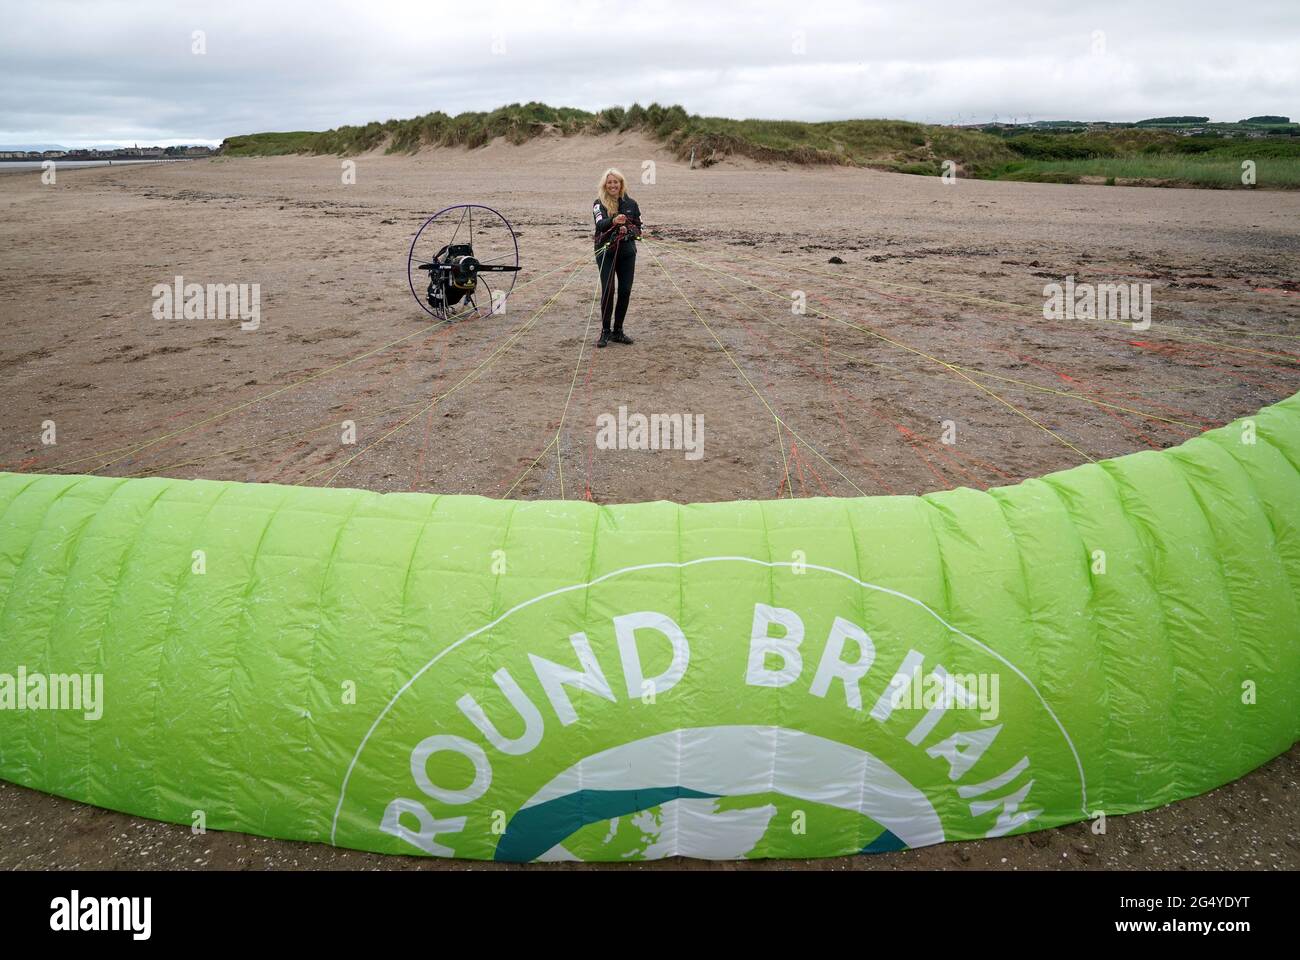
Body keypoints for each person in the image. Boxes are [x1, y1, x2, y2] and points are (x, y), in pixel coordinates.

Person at [591, 168, 641, 347]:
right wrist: (613, 221)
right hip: (605, 252)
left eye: (616, 182)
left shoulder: (631, 203)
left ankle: (618, 331)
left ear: (621, 184)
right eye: (609, 182)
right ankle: (605, 331)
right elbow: (600, 224)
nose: (613, 185)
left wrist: (628, 230)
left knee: (625, 290)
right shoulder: (599, 204)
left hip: (627, 252)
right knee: (608, 290)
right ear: (605, 185)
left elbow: (638, 229)